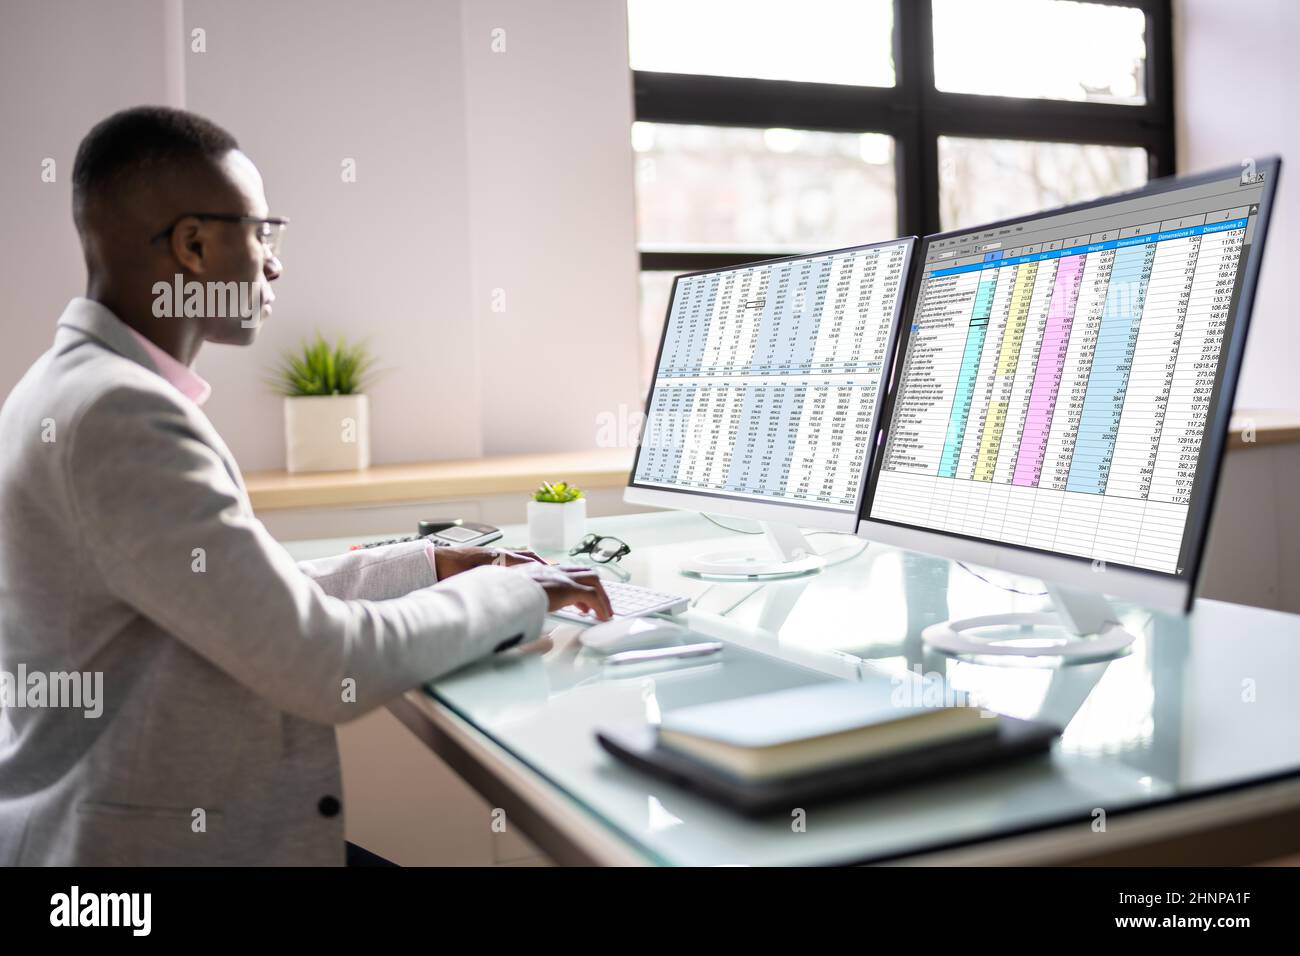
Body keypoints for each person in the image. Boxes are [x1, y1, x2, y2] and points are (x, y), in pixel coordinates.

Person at [0, 106, 611, 865]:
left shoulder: (73, 387)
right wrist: (518, 595)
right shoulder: (120, 415)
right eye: (263, 234)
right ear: (193, 245)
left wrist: (426, 566)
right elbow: (325, 664)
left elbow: (239, 594)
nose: (275, 264)